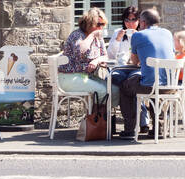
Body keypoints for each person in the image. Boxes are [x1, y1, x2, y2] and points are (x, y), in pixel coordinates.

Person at [117, 9, 175, 140]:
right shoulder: (167, 33)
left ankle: (130, 129)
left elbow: (135, 61)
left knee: (125, 86)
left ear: (142, 22)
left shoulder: (138, 35)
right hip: (170, 85)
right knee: (156, 84)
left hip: (150, 85)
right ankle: (159, 128)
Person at [58, 8, 110, 110]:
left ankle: (102, 119)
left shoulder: (98, 38)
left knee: (114, 89)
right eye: (98, 24)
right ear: (89, 23)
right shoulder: (77, 35)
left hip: (86, 76)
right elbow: (80, 51)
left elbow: (105, 55)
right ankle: (94, 120)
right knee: (103, 91)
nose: (101, 28)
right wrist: (92, 35)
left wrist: (97, 60)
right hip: (70, 77)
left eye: (103, 24)